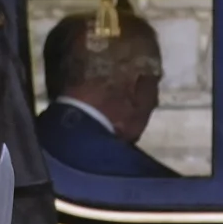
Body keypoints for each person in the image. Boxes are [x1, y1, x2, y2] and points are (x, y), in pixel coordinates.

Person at [35, 10, 177, 179]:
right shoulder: (136, 173)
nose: (156, 101)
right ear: (135, 84)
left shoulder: (30, 137)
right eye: (155, 82)